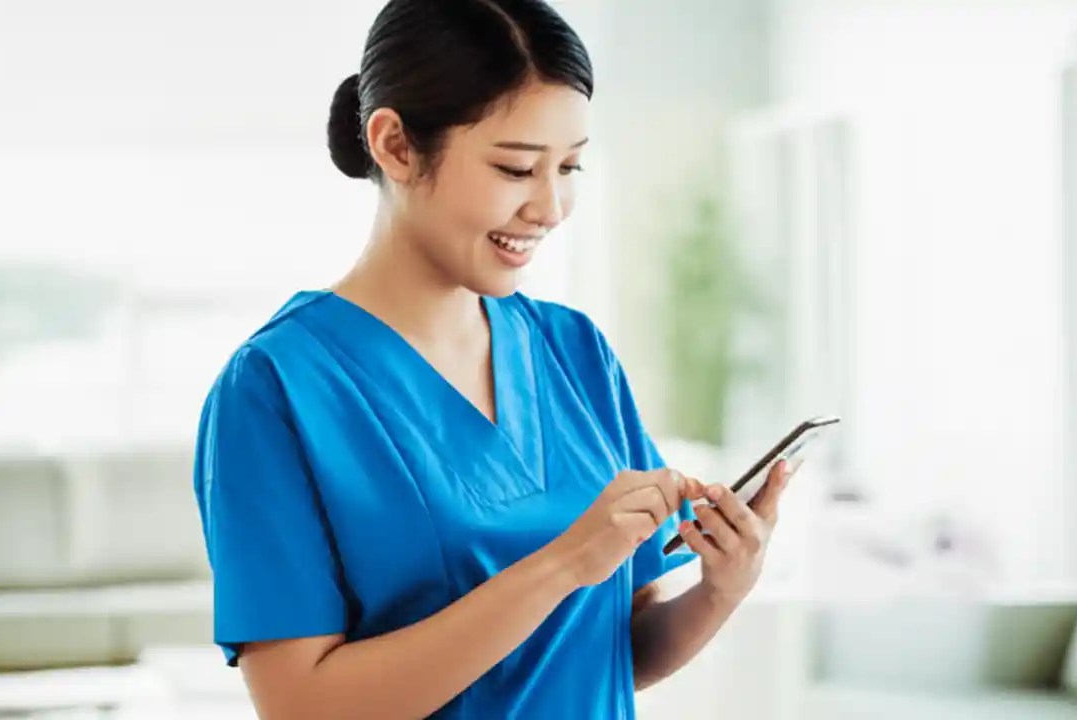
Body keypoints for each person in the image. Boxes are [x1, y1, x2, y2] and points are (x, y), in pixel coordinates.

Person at [192, 0, 798, 717]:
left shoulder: (574, 353)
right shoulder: (275, 388)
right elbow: (302, 705)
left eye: (570, 166)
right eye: (516, 169)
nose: (551, 206)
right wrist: (565, 563)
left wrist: (721, 589)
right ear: (394, 145)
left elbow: (616, 648)